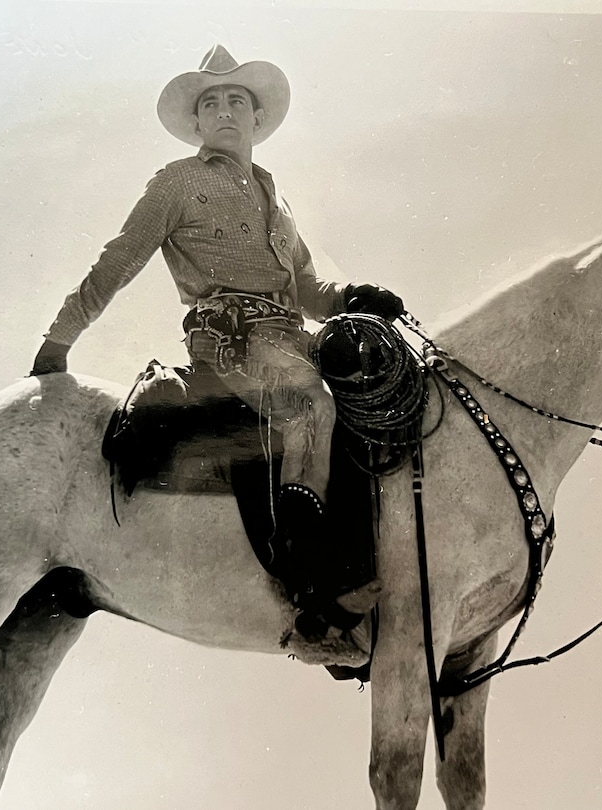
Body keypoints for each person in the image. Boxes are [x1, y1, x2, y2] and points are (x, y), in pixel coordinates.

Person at [30, 45, 403, 642]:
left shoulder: (276, 199)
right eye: (211, 102)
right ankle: (309, 575)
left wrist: (354, 295)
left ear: (257, 119)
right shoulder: (177, 182)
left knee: (379, 403)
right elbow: (120, 259)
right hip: (231, 340)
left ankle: (365, 562)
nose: (225, 110)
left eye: (237, 100)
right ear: (197, 124)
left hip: (290, 337)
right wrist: (59, 339)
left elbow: (308, 287)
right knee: (312, 403)